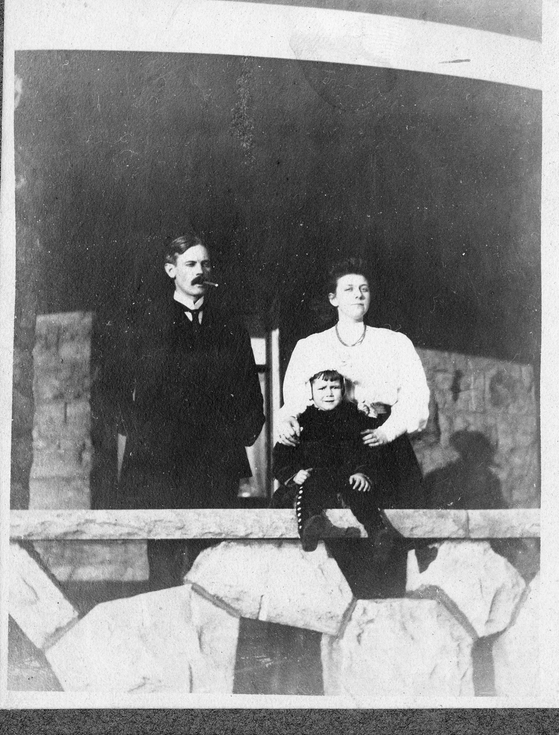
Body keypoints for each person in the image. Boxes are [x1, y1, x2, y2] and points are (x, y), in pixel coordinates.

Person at [115, 234, 265, 587]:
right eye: (191, 264)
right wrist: (139, 430)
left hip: (215, 460)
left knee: (212, 558)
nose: (200, 271)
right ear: (171, 270)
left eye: (205, 264)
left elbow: (249, 387)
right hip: (161, 461)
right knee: (165, 560)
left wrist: (243, 431)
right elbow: (115, 383)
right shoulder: (146, 323)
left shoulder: (230, 326)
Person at [276, 258, 430, 595]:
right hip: (332, 448)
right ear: (333, 298)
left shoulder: (394, 342)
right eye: (348, 289)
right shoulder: (311, 346)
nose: (358, 295)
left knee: (388, 540)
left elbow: (417, 399)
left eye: (364, 289)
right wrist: (287, 421)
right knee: (339, 545)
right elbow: (294, 402)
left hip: (383, 447)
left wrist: (387, 431)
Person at [272, 369, 393, 556]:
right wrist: (294, 474)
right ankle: (310, 526)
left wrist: (363, 473)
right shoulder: (301, 421)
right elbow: (281, 456)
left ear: (343, 389)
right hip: (314, 479)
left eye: (334, 387)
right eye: (322, 388)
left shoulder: (354, 418)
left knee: (359, 491)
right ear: (310, 391)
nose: (328, 393)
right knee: (310, 484)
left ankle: (378, 531)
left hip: (346, 479)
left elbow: (369, 450)